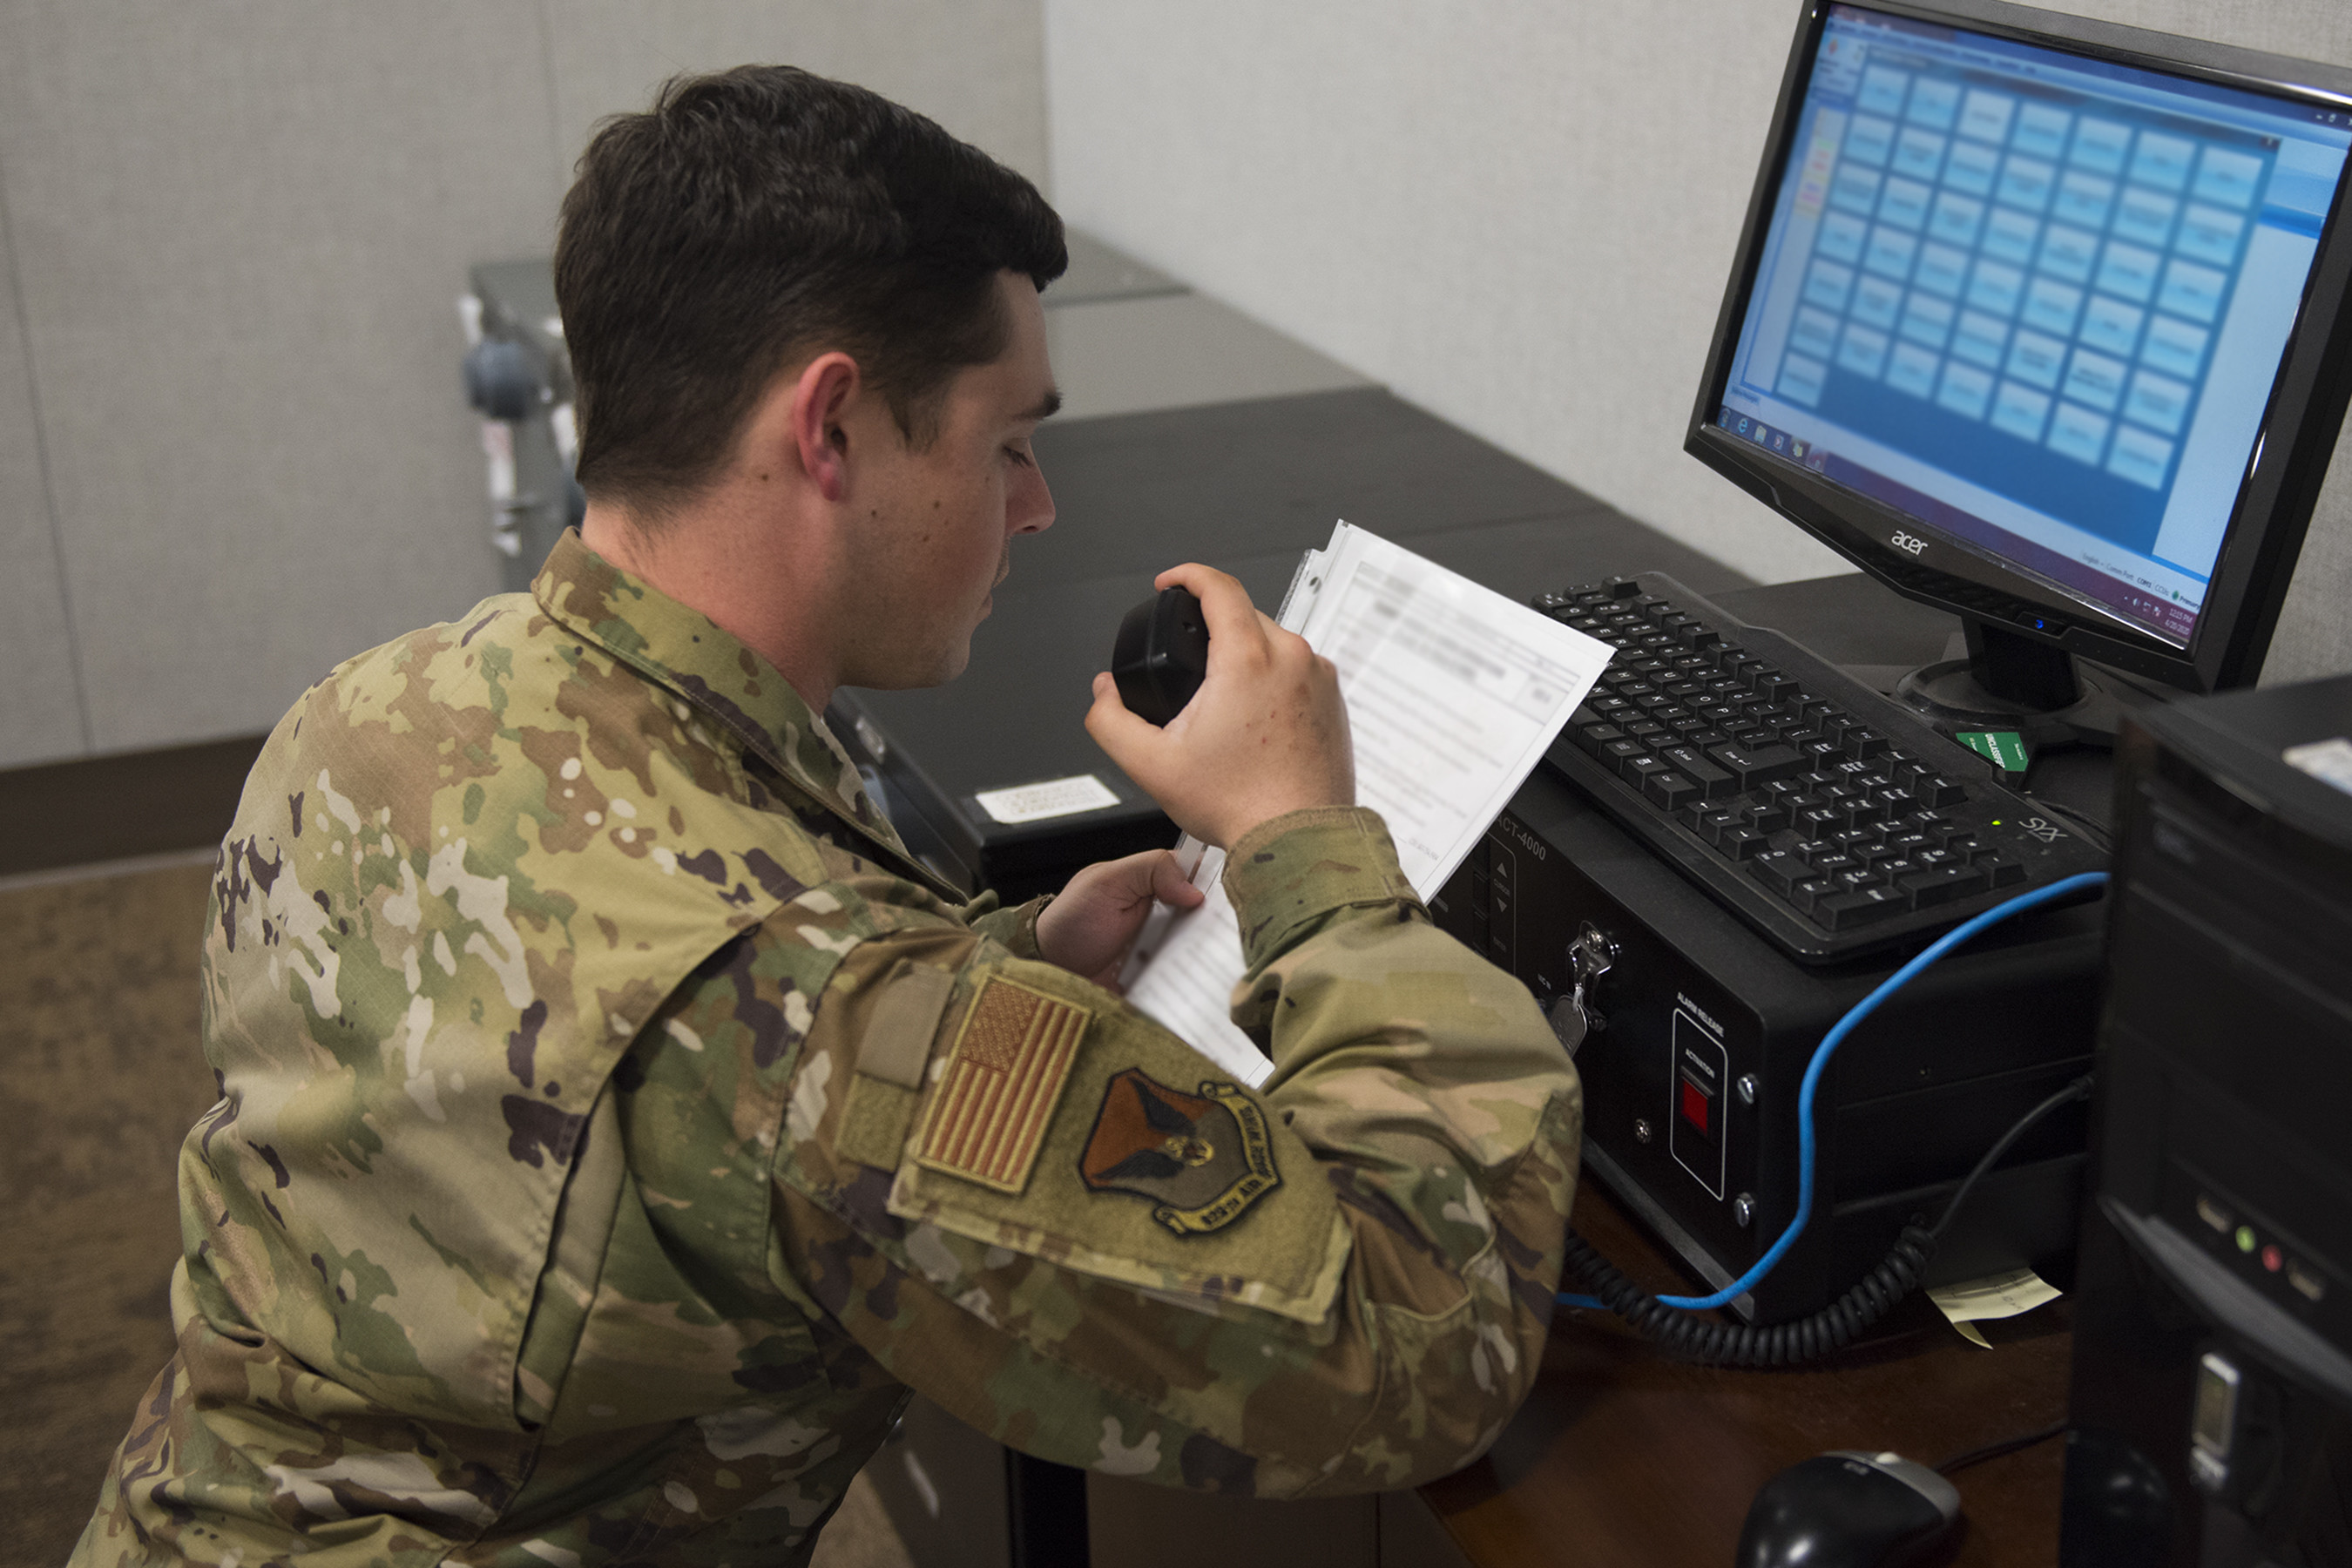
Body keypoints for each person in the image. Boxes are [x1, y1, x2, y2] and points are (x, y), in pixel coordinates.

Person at [75, 65, 1581, 1567]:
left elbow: (629, 1046)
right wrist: (1299, 847)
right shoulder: (819, 1021)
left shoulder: (369, 711)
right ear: (834, 429)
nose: (1041, 504)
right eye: (1008, 442)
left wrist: (1002, 969)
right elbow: (1422, 1343)